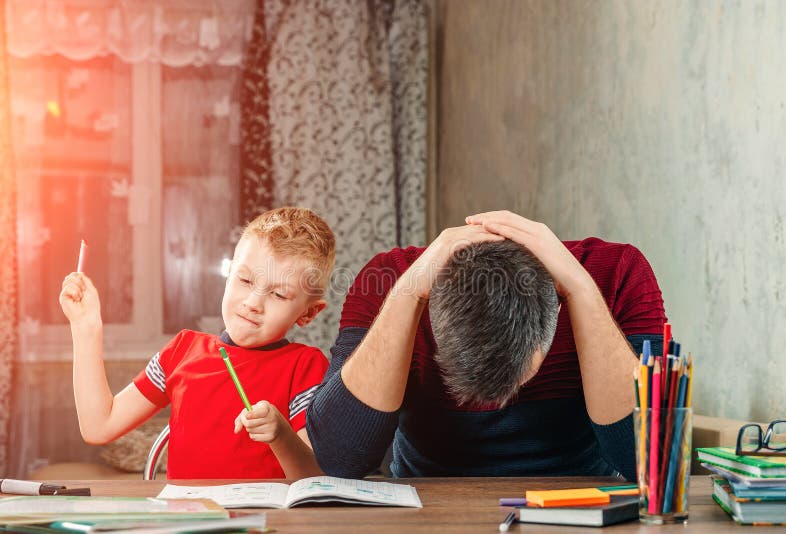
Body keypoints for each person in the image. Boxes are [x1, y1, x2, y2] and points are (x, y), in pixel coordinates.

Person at [307, 210, 666, 481]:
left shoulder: (619, 272)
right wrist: (408, 292)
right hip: (429, 508)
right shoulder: (385, 279)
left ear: (555, 313)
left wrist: (581, 290)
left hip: (576, 503)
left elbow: (649, 463)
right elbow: (339, 460)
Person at [59, 207, 336, 479]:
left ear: (309, 312)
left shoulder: (307, 366)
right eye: (245, 280)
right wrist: (85, 327)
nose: (253, 303)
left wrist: (281, 436)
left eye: (278, 294)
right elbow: (99, 426)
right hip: (189, 519)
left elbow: (312, 479)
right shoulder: (180, 352)